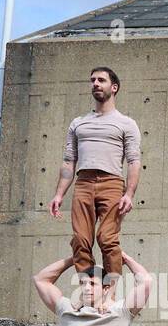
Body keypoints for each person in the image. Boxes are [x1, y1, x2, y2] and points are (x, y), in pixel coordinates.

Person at [50, 67, 142, 289]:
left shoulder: (126, 123)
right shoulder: (78, 123)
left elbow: (133, 161)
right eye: (92, 80)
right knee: (81, 240)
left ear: (114, 87)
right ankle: (89, 287)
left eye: (101, 80)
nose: (95, 84)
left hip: (111, 184)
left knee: (107, 239)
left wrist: (129, 194)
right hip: (83, 183)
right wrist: (59, 194)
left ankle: (110, 290)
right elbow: (68, 161)